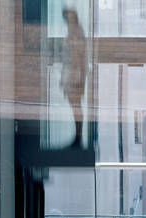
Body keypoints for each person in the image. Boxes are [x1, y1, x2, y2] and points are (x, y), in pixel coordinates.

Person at [60, 8, 88, 150]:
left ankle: (78, 137)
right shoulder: (74, 32)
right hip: (72, 74)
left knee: (76, 106)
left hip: (74, 75)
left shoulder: (76, 33)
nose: (68, 22)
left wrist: (71, 77)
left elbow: (76, 57)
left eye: (70, 19)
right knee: (75, 107)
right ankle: (77, 136)